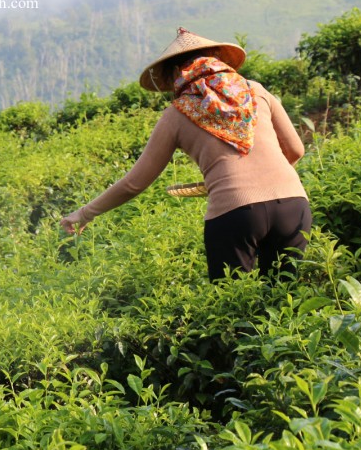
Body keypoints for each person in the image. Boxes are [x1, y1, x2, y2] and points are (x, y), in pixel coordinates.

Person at [60, 28, 312, 281]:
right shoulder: (256, 91)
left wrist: (85, 213)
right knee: (284, 296)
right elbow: (295, 150)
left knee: (234, 300)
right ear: (216, 59)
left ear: (175, 73)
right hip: (293, 204)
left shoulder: (177, 113)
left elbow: (134, 183)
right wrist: (268, 182)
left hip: (235, 214)